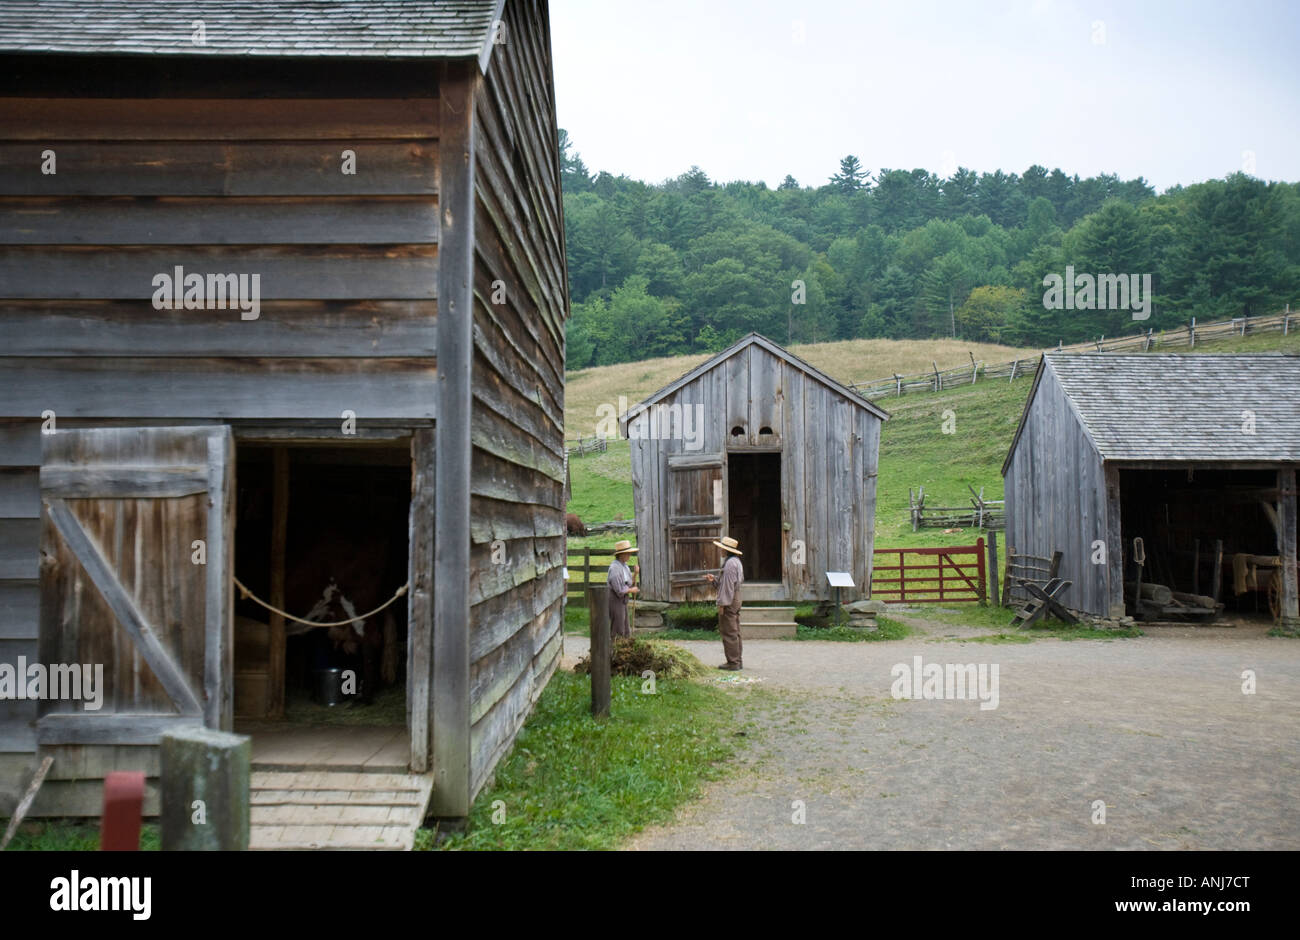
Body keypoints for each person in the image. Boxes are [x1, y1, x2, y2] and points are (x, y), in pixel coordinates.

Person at [704, 536, 744, 670]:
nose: (720, 551)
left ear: (726, 551)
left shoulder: (730, 564)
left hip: (729, 600)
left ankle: (733, 662)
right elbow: (728, 583)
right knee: (735, 631)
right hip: (735, 598)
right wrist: (715, 580)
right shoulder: (735, 561)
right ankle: (737, 660)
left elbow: (727, 587)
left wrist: (722, 604)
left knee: (729, 632)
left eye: (722, 549)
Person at [606, 539, 638, 638]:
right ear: (621, 554)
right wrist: (631, 590)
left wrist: (636, 573)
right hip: (615, 600)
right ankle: (614, 648)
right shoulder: (614, 568)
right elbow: (619, 590)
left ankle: (625, 648)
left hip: (623, 600)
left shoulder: (625, 567)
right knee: (618, 626)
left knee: (625, 625)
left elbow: (628, 583)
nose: (629, 555)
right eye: (628, 553)